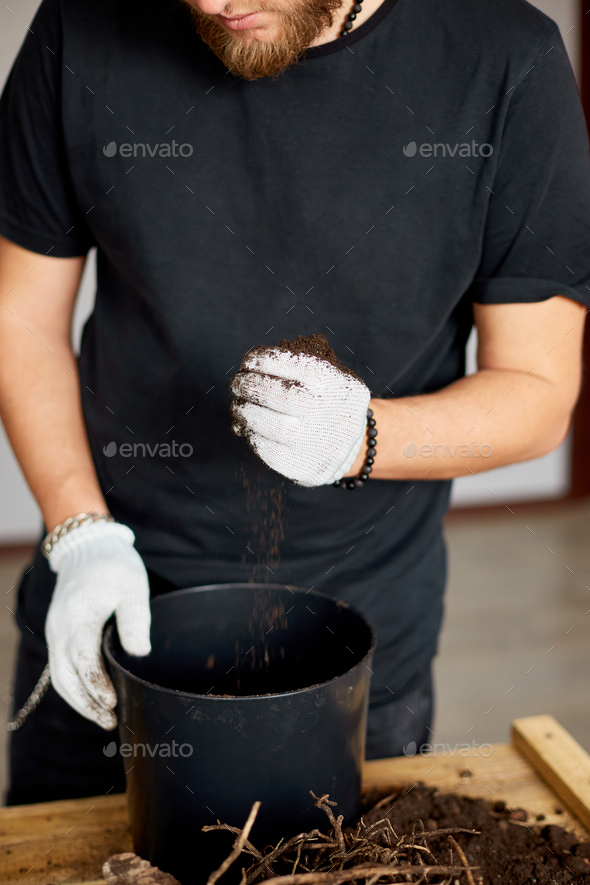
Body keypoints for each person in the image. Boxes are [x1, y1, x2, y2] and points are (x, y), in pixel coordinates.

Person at [0, 0, 588, 806]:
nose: (212, 3)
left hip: (352, 638)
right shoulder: (81, 24)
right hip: (104, 593)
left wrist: (361, 438)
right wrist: (78, 531)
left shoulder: (505, 59)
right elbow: (20, 316)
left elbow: (539, 393)